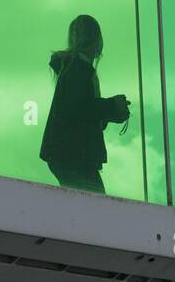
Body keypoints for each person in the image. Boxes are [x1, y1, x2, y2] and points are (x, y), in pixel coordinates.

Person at [39, 15, 131, 194]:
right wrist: (112, 106)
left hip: (68, 153)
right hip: (74, 153)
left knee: (88, 208)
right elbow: (78, 110)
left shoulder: (75, 68)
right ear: (97, 40)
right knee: (96, 209)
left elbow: (79, 111)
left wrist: (111, 111)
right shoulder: (79, 69)